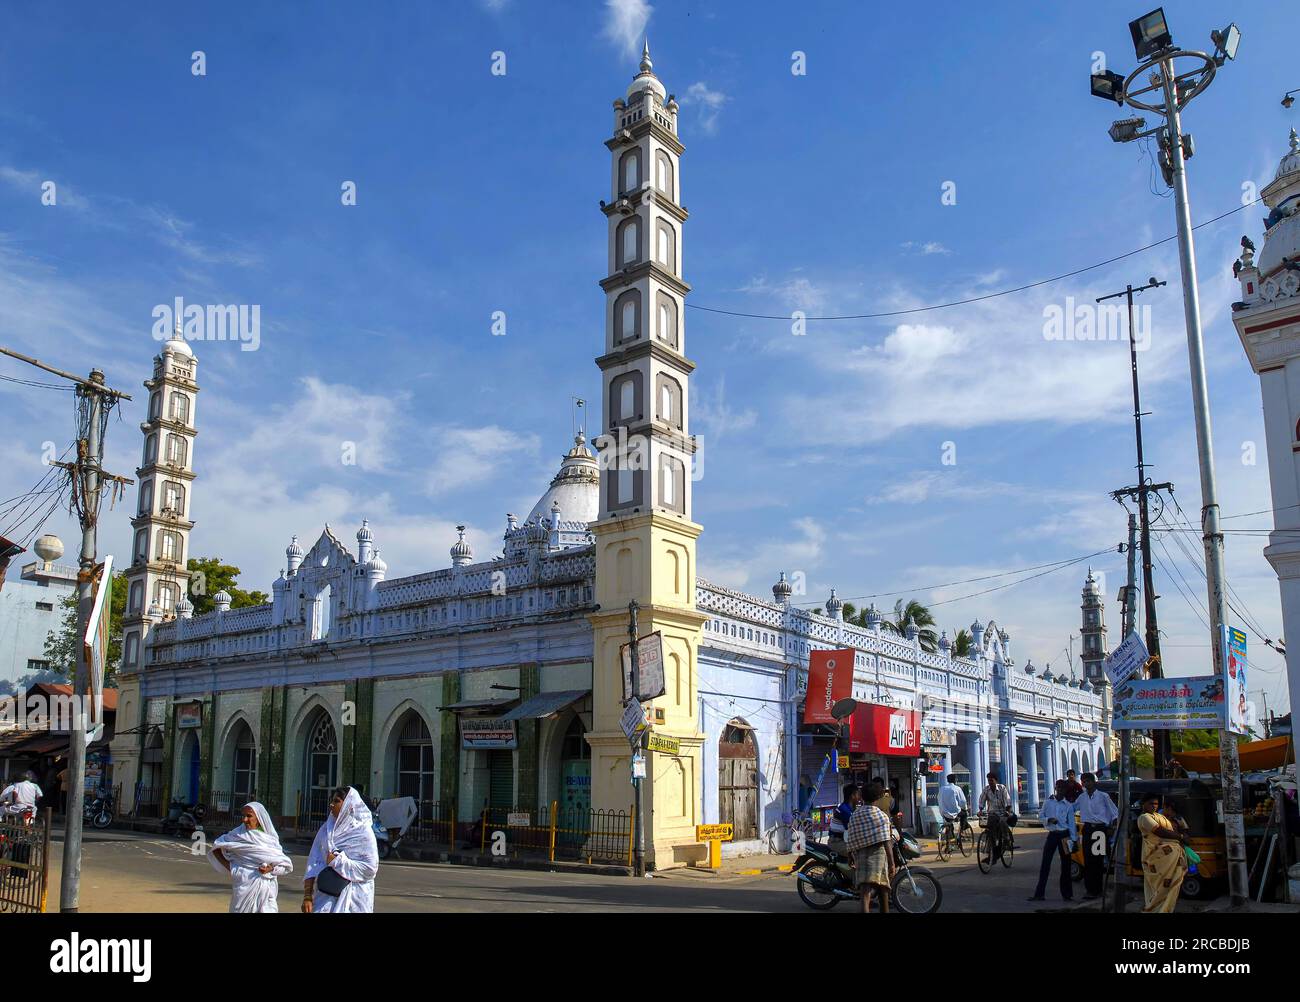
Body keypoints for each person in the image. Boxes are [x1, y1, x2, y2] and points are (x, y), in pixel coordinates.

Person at [303, 786, 379, 913]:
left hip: (354, 901)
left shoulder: (363, 833)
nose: (331, 805)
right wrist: (307, 896)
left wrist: (338, 861)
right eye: (331, 801)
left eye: (337, 801)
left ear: (349, 805)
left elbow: (369, 870)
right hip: (324, 899)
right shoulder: (326, 830)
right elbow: (313, 862)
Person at [209, 802, 293, 913]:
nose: (244, 820)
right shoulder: (238, 834)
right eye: (243, 816)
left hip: (267, 891)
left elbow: (285, 865)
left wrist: (271, 869)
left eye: (249, 816)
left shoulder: (271, 839)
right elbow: (216, 847)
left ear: (259, 817)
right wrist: (233, 868)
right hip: (243, 888)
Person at [1136, 793, 1187, 912]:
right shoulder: (1144, 817)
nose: (1154, 806)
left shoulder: (1161, 816)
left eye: (1156, 804)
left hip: (1170, 858)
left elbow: (1171, 830)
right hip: (1155, 857)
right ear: (1144, 804)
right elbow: (1160, 831)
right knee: (1158, 887)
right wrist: (1180, 836)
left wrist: (1180, 837)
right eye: (1151, 804)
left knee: (1171, 886)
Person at [844, 793, 894, 914]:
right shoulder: (881, 816)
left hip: (861, 855)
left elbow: (851, 836)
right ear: (877, 799)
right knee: (883, 890)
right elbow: (886, 840)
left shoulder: (855, 815)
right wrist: (892, 862)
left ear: (862, 798)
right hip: (879, 856)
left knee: (865, 892)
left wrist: (850, 856)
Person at [1029, 779, 1078, 902]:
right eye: (1058, 788)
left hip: (1065, 836)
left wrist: (1074, 840)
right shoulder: (1048, 803)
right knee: (1045, 864)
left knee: (1066, 865)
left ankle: (1067, 895)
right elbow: (1041, 816)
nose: (1060, 790)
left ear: (1066, 790)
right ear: (1056, 788)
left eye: (1063, 788)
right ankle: (1039, 894)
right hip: (1052, 835)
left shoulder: (1068, 806)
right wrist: (1048, 820)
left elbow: (1071, 824)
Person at [1076, 772, 1118, 900]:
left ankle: (1098, 890)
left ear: (1093, 782)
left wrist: (1112, 827)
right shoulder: (1081, 797)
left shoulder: (1103, 796)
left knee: (1098, 861)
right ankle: (1090, 890)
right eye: (1084, 781)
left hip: (1099, 831)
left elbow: (1114, 812)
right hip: (1088, 829)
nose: (1086, 783)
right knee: (1088, 861)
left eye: (1088, 781)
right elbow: (1071, 808)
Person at [978, 771, 1014, 861]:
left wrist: (1008, 810)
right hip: (992, 814)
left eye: (992, 780)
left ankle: (1006, 841)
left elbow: (1008, 800)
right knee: (989, 829)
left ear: (996, 781)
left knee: (1002, 822)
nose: (990, 782)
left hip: (1003, 812)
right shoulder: (986, 789)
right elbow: (982, 799)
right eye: (989, 781)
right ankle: (991, 849)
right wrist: (980, 810)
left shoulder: (1002, 788)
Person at [828, 783, 859, 856]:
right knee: (860, 853)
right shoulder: (845, 811)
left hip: (840, 840)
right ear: (852, 796)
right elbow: (853, 830)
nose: (859, 798)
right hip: (837, 842)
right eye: (858, 795)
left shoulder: (847, 808)